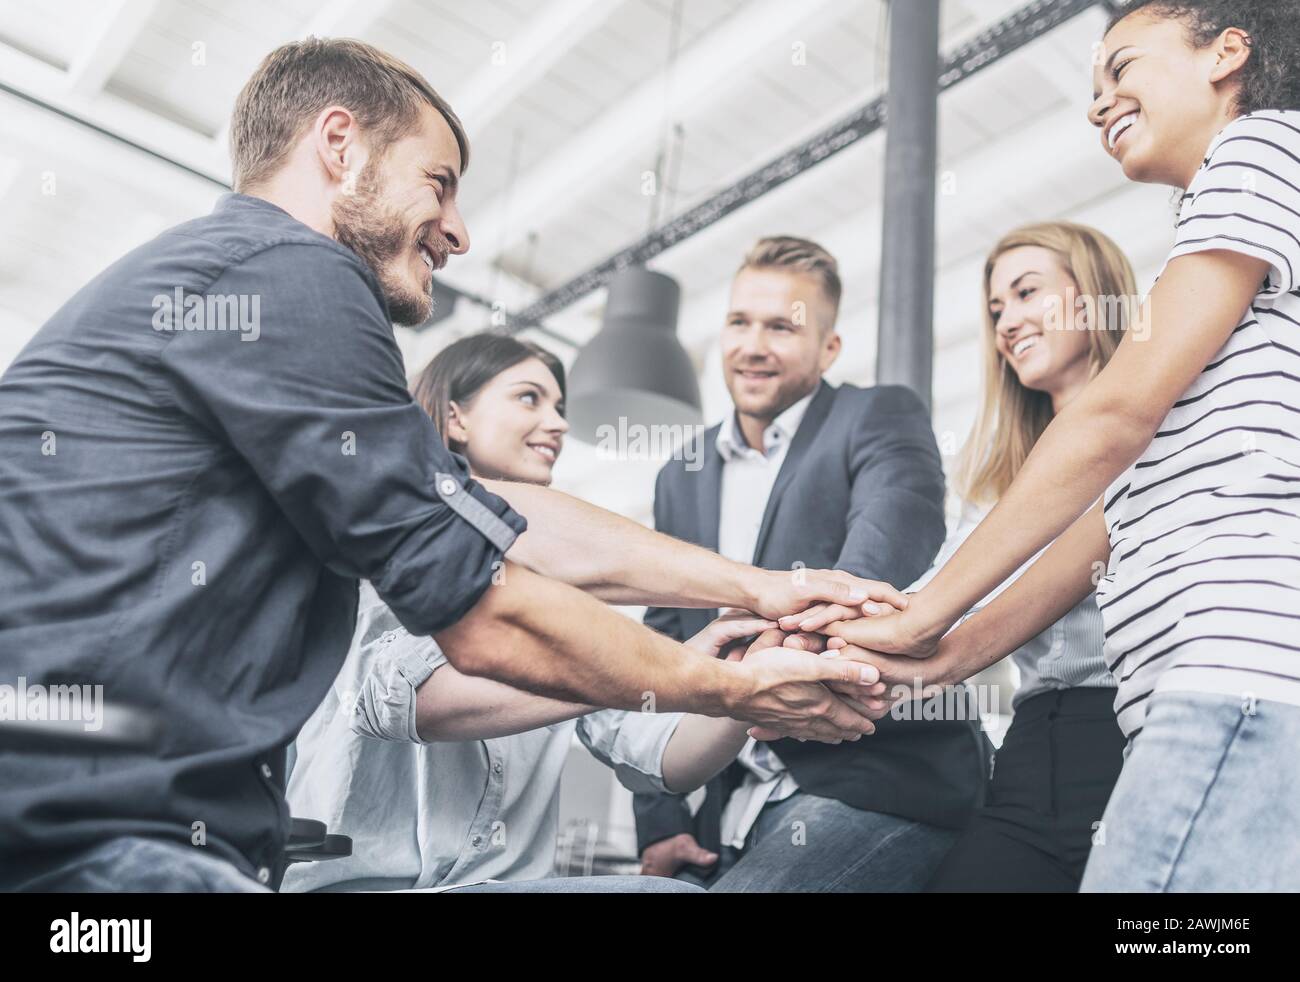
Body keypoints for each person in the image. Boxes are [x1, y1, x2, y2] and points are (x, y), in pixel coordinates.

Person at [0, 39, 899, 893]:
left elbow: (508, 525)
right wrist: (739, 683)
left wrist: (759, 590)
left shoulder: (243, 283)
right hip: (86, 837)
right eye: (439, 184)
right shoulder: (293, 271)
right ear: (339, 145)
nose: (459, 232)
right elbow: (485, 610)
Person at [820, 0, 1300, 891]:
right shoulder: (1224, 238)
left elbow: (1113, 420)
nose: (1096, 103)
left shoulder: (1264, 147)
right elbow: (1105, 527)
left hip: (1230, 662)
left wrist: (925, 616)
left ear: (1226, 53)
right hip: (1190, 684)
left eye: (1121, 67)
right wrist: (952, 649)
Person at [285, 333, 801, 893]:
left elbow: (663, 759)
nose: (557, 423)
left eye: (560, 408)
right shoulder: (377, 535)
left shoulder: (568, 601)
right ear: (455, 418)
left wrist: (742, 683)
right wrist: (646, 673)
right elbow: (405, 701)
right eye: (529, 398)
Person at [633, 237, 986, 893]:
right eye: (740, 322)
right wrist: (657, 816)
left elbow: (889, 537)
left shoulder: (875, 414)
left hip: (876, 779)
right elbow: (661, 641)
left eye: (782, 326)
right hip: (726, 803)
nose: (753, 344)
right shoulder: (678, 473)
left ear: (829, 349)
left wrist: (773, 657)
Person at [796, 222, 1134, 891]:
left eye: (1026, 292)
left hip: (1132, 730)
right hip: (1035, 747)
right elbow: (944, 592)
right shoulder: (1007, 482)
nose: (1007, 321)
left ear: (1095, 293)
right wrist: (823, 625)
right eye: (995, 309)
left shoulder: (1163, 424)